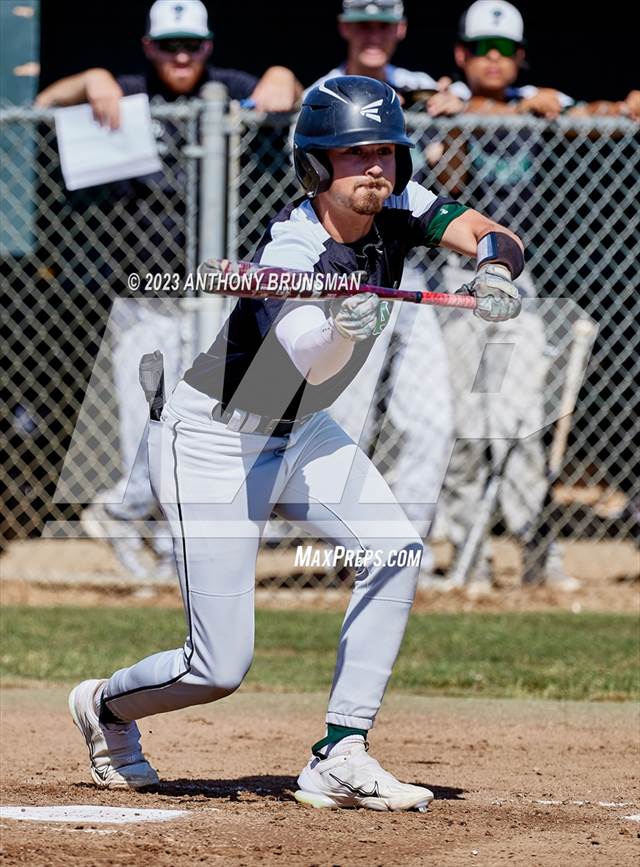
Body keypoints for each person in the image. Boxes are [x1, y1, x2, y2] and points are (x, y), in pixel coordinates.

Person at [67, 75, 524, 810]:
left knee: (396, 549)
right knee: (219, 667)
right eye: (353, 154)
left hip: (301, 430)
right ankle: (105, 708)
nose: (374, 166)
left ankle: (340, 751)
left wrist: (496, 267)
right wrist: (340, 322)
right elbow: (296, 345)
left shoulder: (399, 209)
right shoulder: (294, 244)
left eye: (384, 151)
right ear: (316, 165)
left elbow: (493, 232)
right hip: (213, 441)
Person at [35, 0, 302, 578]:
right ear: (148, 46)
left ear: (208, 46)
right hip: (147, 289)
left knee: (200, 428)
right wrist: (90, 80)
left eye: (193, 45)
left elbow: (291, 97)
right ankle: (142, 526)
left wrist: (285, 79)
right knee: (148, 422)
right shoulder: (129, 90)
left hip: (215, 295)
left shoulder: (225, 88)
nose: (182, 56)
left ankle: (138, 523)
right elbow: (40, 103)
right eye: (169, 45)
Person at [420, 0, 584, 589]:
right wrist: (461, 116)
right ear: (461, 54)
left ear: (519, 59)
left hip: (518, 279)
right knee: (467, 425)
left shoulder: (537, 102)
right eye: (482, 50)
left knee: (520, 421)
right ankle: (471, 560)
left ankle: (539, 558)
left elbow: (583, 109)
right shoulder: (440, 110)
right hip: (454, 280)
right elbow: (453, 181)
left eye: (505, 52)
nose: (494, 60)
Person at [309, 0, 469, 575]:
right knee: (346, 418)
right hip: (346, 273)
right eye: (361, 23)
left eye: (382, 23)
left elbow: (454, 181)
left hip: (411, 273)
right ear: (343, 26)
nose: (371, 34)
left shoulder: (426, 89)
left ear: (401, 28)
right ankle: (347, 548)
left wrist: (455, 119)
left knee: (432, 423)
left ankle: (400, 550)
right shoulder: (324, 93)